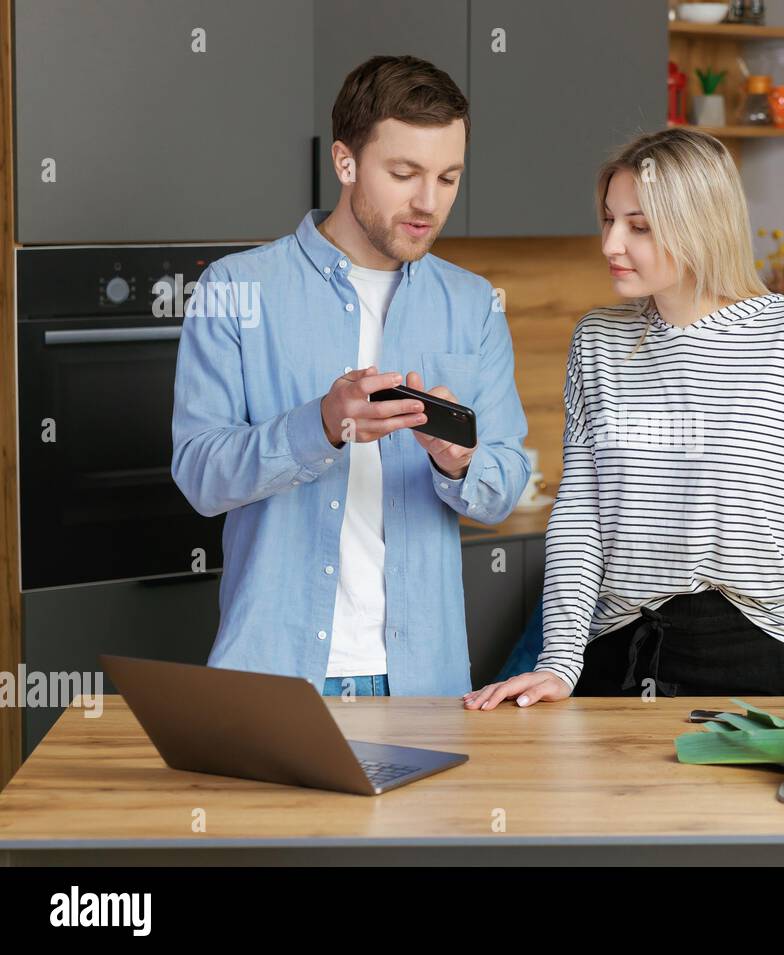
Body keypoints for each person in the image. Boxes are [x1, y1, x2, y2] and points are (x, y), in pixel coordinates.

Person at [464, 128, 784, 711]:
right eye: (608, 220)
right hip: (617, 648)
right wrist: (560, 661)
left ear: (700, 225)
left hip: (755, 651)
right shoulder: (598, 340)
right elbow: (581, 515)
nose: (611, 244)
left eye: (639, 226)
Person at [172, 55, 528, 697]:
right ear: (345, 162)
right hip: (275, 677)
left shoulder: (473, 304)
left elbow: (505, 487)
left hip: (425, 684)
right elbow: (199, 475)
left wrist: (457, 460)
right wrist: (321, 425)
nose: (429, 202)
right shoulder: (235, 287)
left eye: (448, 178)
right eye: (403, 173)